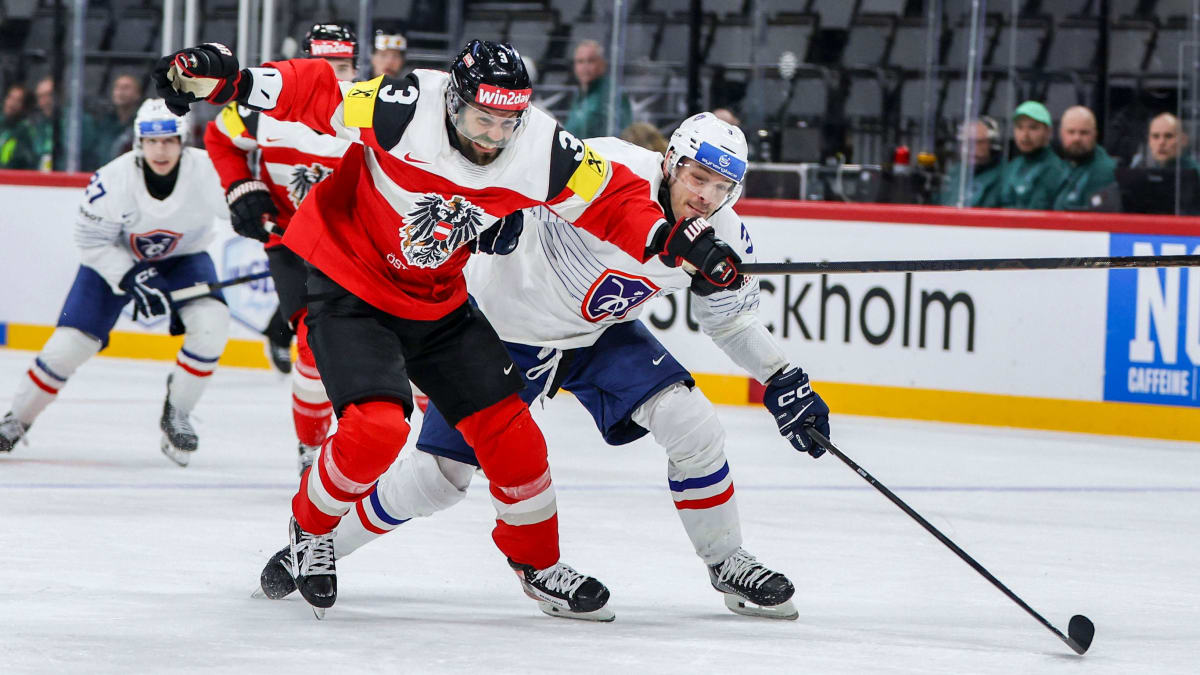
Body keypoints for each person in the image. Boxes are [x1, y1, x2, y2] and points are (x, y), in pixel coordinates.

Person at [154, 39, 742, 619]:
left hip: (436, 300)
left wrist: (668, 237)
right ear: (454, 102)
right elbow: (318, 94)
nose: (491, 136)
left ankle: (536, 563)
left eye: (505, 122)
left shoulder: (542, 145)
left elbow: (611, 199)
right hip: (351, 283)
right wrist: (233, 81)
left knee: (513, 434)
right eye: (480, 118)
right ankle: (310, 529)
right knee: (376, 429)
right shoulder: (404, 103)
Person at [258, 113, 831, 620]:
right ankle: (319, 540)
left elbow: (730, 319)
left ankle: (727, 561)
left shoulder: (723, 235)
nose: (705, 196)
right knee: (439, 480)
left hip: (595, 335)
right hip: (508, 329)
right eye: (696, 178)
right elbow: (524, 175)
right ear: (670, 164)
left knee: (694, 424)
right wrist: (498, 220)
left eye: (721, 186)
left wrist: (782, 376)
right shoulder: (610, 163)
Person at [0, 99, 230, 466]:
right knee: (69, 346)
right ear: (139, 142)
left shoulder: (208, 170)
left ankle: (178, 412)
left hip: (183, 260)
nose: (160, 150)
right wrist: (132, 274)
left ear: (182, 141)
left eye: (169, 140)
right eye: (152, 141)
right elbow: (90, 241)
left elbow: (241, 210)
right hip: (114, 262)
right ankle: (17, 420)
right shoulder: (112, 179)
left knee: (212, 325)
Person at [204, 23, 356, 475]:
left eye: (343, 66)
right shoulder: (258, 110)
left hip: (353, 245)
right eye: (323, 65)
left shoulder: (374, 114)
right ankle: (311, 448)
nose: (333, 75)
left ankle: (449, 437)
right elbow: (219, 139)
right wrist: (241, 185)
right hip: (291, 241)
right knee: (311, 342)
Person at [995, 100, 1068, 210]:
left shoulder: (1056, 170)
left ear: (1048, 131)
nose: (1025, 135)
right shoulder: (1011, 168)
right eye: (1020, 127)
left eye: (1033, 128)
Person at [563, 40, 632, 139]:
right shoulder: (580, 93)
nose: (585, 67)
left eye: (590, 61)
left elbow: (621, 134)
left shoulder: (610, 93)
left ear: (602, 64)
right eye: (580, 61)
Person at [1052, 105, 1116, 211]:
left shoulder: (1104, 171)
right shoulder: (1062, 165)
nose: (1077, 138)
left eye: (1084, 133)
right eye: (1071, 132)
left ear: (1095, 135)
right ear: (1061, 134)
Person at [939, 117, 1004, 207]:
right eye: (967, 142)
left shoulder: (1004, 175)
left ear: (992, 144)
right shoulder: (954, 173)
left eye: (979, 142)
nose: (971, 148)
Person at [93, 73, 144, 165]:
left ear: (137, 94)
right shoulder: (105, 122)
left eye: (126, 87)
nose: (120, 91)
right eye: (117, 87)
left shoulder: (142, 121)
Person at [1134, 112, 1199, 171]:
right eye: (1155, 136)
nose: (1161, 142)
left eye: (1168, 136)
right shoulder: (1140, 169)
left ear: (1183, 140)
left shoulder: (1195, 172)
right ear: (1149, 141)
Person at [1, 83, 38, 169]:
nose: (12, 104)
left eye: (18, 100)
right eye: (10, 97)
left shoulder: (26, 132)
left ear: (25, 107)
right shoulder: (2, 126)